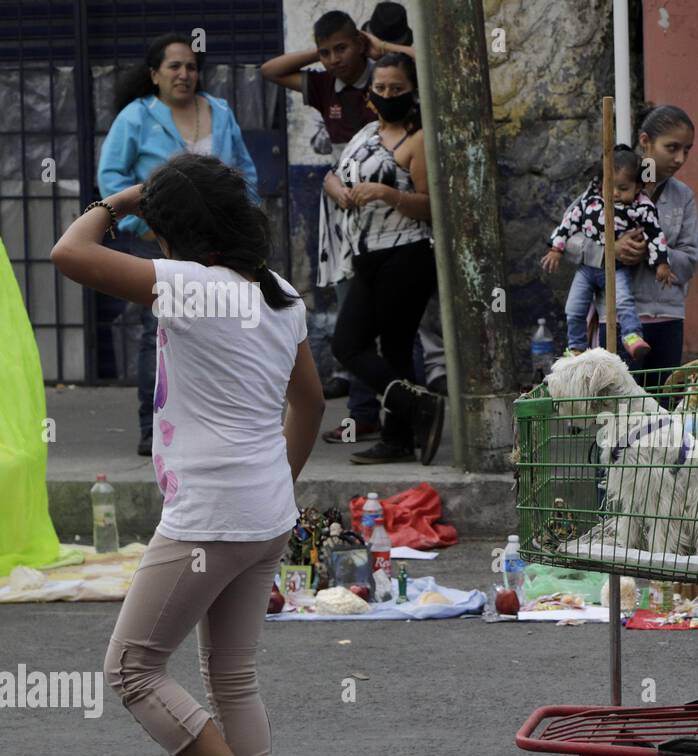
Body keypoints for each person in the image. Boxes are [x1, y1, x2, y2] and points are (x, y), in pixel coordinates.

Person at [51, 153, 323, 756]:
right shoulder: (280, 295)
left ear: (169, 232)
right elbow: (312, 403)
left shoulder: (187, 284)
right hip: (265, 511)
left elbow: (69, 254)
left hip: (210, 516)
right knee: (231, 675)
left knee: (133, 668)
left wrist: (120, 200)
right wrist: (277, 482)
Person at [98, 32, 259, 458]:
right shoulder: (136, 117)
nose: (185, 74)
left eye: (191, 66)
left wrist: (246, 223)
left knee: (222, 326)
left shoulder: (219, 111)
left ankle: (215, 422)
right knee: (159, 331)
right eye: (174, 66)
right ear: (154, 75)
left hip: (219, 246)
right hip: (158, 244)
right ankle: (154, 429)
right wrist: (147, 226)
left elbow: (245, 172)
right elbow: (111, 178)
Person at [261, 7, 417, 442]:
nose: (333, 59)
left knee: (403, 328)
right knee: (354, 318)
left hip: (396, 224)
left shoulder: (389, 83)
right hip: (345, 210)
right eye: (326, 52)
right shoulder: (325, 82)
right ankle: (365, 413)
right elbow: (269, 69)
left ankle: (409, 412)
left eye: (342, 48)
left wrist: (381, 49)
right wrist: (322, 49)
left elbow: (426, 65)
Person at [328, 52, 442, 465]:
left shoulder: (418, 140)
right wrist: (338, 190)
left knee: (392, 346)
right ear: (371, 92)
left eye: (397, 89)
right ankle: (417, 410)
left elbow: (432, 206)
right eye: (381, 89)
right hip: (365, 254)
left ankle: (398, 437)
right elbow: (332, 173)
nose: (388, 95)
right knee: (348, 344)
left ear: (412, 91)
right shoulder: (365, 133)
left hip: (406, 253)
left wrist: (389, 194)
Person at [567, 105, 698, 389]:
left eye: (687, 150)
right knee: (617, 407)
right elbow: (567, 239)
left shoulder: (684, 196)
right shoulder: (606, 183)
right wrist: (609, 251)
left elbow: (690, 260)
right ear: (645, 141)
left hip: (668, 317)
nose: (680, 158)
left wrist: (652, 253)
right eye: (672, 147)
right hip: (616, 318)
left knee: (661, 406)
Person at [542, 144, 672, 359]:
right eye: (609, 186)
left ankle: (632, 337)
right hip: (587, 269)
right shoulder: (590, 202)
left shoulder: (642, 208)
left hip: (616, 269)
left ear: (638, 187)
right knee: (573, 308)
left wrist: (661, 264)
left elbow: (655, 235)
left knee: (623, 302)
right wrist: (556, 248)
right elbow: (569, 222)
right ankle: (576, 347)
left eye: (623, 188)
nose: (614, 194)